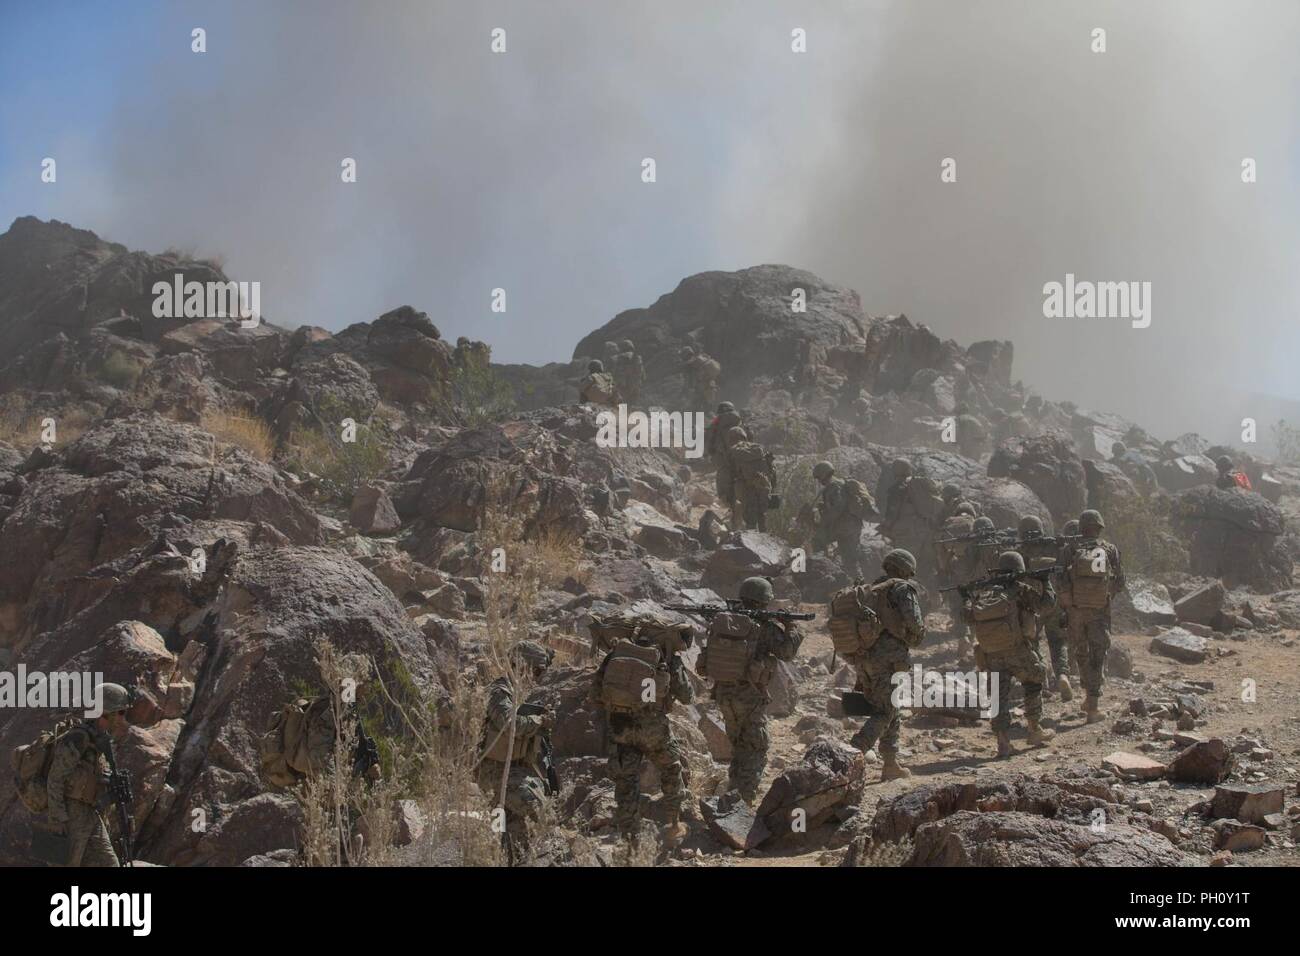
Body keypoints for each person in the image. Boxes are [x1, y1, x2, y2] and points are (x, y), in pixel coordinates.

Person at [589, 620, 694, 847]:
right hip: (653, 728)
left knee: (627, 778)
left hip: (621, 725)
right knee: (670, 768)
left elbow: (595, 691)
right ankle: (674, 824)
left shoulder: (617, 653)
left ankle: (630, 837)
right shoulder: (667, 660)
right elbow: (686, 696)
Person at [698, 577, 803, 804]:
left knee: (739, 745)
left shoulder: (723, 621)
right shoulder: (762, 627)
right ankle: (743, 803)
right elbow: (786, 652)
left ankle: (733, 793)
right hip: (750, 697)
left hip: (723, 695)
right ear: (764, 600)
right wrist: (791, 627)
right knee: (755, 748)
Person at [963, 551, 1056, 757]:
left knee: (998, 696)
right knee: (1033, 682)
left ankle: (1003, 742)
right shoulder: (1019, 590)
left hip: (991, 654)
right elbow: (1046, 606)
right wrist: (1045, 582)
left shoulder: (984, 593)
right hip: (1018, 651)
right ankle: (1034, 730)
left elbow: (968, 617)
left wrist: (965, 598)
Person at [847, 550, 926, 780]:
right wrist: (917, 635)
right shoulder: (902, 589)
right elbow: (915, 623)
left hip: (864, 660)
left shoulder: (872, 590)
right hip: (889, 660)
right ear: (906, 569)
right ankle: (852, 755)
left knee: (892, 709)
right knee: (885, 711)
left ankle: (890, 764)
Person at [39, 683, 134, 867]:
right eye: (121, 712)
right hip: (71, 814)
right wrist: (58, 818)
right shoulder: (79, 738)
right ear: (106, 712)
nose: (122, 719)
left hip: (90, 813)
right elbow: (55, 778)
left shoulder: (99, 739)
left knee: (109, 864)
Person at [478, 641, 556, 862]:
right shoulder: (499, 691)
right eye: (537, 671)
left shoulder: (517, 695)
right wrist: (539, 721)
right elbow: (508, 724)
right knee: (539, 811)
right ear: (522, 666)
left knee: (515, 838)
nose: (537, 678)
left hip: (512, 772)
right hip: (496, 774)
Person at [1059, 510, 1124, 723]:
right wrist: (1104, 596)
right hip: (1099, 611)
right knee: (1098, 654)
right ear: (1099, 527)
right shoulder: (1110, 549)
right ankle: (1093, 707)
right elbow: (1120, 581)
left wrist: (1069, 605)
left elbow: (1060, 581)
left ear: (1081, 527)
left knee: (1081, 651)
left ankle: (1087, 693)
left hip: (1075, 611)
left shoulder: (1070, 549)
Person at [811, 461, 871, 581]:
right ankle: (848, 577)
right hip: (849, 526)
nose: (818, 480)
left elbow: (838, 508)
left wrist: (823, 521)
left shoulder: (834, 486)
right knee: (848, 555)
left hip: (845, 527)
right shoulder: (837, 484)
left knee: (847, 557)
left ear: (824, 474)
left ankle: (856, 583)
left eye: (818, 477)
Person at [724, 426, 774, 531]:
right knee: (763, 518)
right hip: (763, 487)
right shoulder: (757, 448)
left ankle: (753, 545)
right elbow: (771, 470)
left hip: (748, 490)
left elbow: (729, 476)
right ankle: (766, 542)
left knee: (751, 523)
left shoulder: (733, 452)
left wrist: (729, 496)